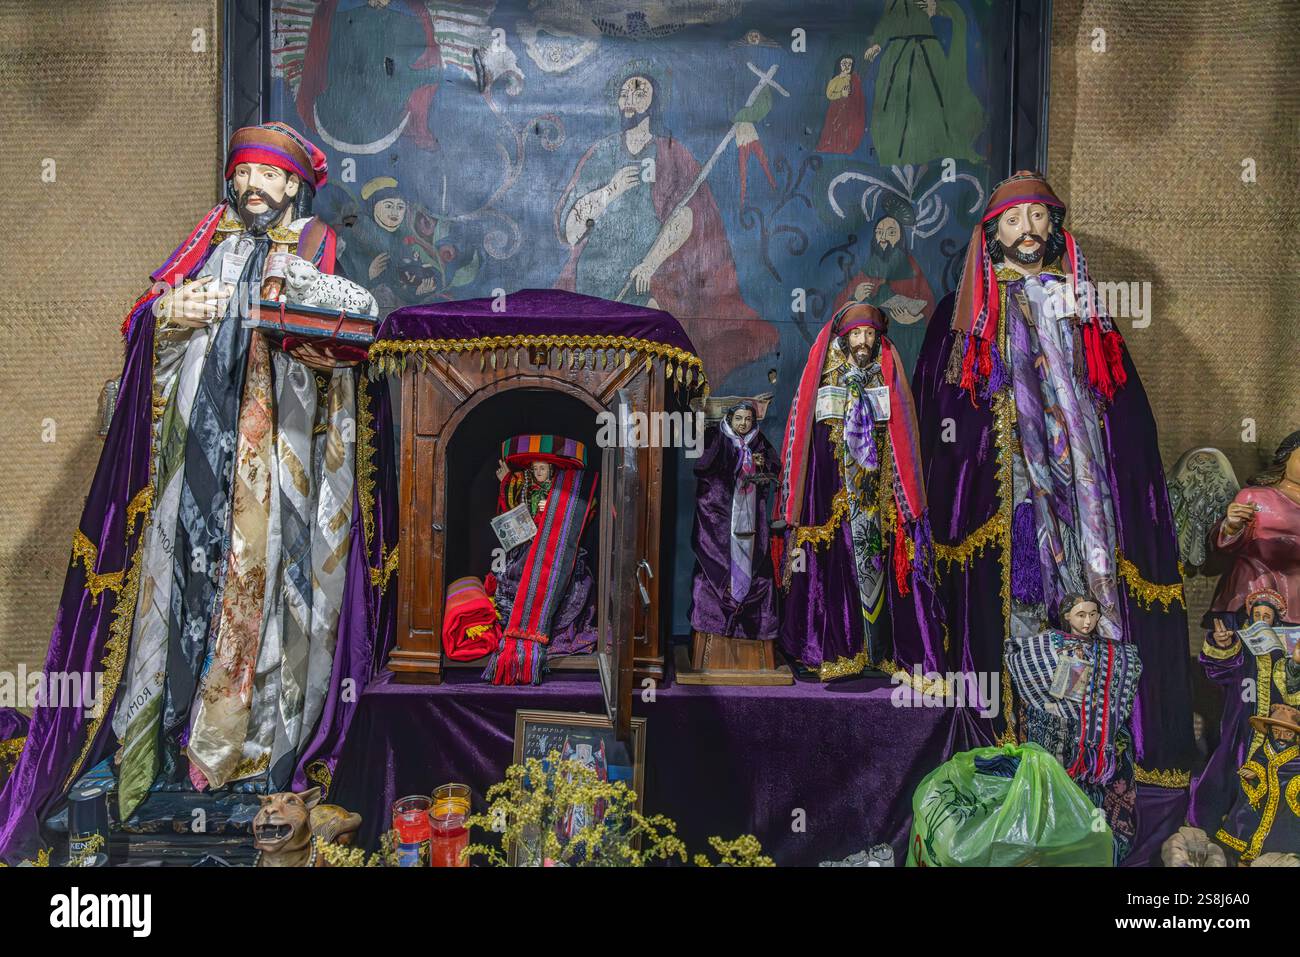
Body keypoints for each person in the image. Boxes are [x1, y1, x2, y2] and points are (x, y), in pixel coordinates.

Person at [0, 123, 378, 862]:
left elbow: (356, 325)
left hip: (271, 465)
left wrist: (291, 293)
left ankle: (247, 751)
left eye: (267, 178)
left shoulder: (311, 248)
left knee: (260, 603)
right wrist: (170, 316)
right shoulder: (205, 242)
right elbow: (144, 327)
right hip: (191, 465)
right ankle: (174, 744)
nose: (251, 189)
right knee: (181, 599)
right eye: (242, 177)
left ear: (294, 187)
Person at [892, 171, 1196, 793]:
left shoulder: (1083, 301)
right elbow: (946, 410)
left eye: (1037, 218)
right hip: (1011, 499)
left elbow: (1121, 404)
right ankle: (1014, 743)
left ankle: (1091, 746)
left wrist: (1112, 466)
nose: (1026, 231)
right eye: (1012, 220)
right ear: (992, 233)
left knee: (1086, 601)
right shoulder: (963, 312)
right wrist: (982, 468)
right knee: (1021, 604)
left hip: (1084, 494)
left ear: (1053, 227)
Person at [775, 302, 939, 680]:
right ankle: (832, 647)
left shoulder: (886, 375)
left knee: (875, 564)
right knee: (835, 564)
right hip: (835, 498)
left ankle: (877, 649)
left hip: (874, 495)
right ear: (844, 338)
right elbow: (811, 442)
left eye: (869, 334)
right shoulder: (827, 376)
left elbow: (900, 435)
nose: (863, 341)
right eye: (857, 334)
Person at [1006, 593, 1143, 862]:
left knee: (1099, 806)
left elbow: (1122, 691)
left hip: (1099, 748)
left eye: (1093, 614)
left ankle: (1100, 849)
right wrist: (1049, 704)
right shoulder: (1048, 644)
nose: (1088, 621)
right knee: (1059, 803)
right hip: (1062, 741)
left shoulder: (1114, 651)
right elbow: (1024, 665)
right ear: (1067, 616)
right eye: (1081, 614)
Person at [482, 435, 598, 684]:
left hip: (557, 550)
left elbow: (583, 512)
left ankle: (551, 631)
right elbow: (512, 508)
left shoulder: (563, 494)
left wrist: (554, 509)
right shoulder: (525, 489)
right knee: (518, 576)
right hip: (528, 547)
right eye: (535, 469)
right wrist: (506, 481)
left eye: (542, 468)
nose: (538, 473)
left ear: (552, 469)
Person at [1193, 588, 1300, 835]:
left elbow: (1291, 691)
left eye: (1267, 616)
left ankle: (1265, 826)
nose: (1262, 620)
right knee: (1233, 764)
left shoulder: (1282, 652)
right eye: (1257, 615)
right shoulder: (1240, 644)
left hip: (1273, 725)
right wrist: (1223, 643)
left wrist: (1294, 664)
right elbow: (1218, 669)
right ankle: (1228, 823)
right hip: (1240, 720)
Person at [689, 401, 779, 643]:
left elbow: (774, 465)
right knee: (718, 564)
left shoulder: (758, 441)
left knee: (754, 565)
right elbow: (704, 467)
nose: (743, 424)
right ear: (730, 419)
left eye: (748, 419)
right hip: (721, 516)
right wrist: (735, 461)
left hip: (750, 515)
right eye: (739, 418)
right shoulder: (719, 438)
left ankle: (752, 629)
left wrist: (762, 466)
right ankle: (716, 624)